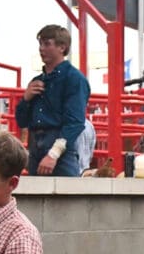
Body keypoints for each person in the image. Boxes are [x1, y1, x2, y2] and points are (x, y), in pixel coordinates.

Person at [15, 24, 90, 177]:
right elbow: (21, 120)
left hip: (57, 147)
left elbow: (74, 122)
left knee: (63, 196)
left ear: (62, 47)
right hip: (40, 146)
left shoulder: (74, 79)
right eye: (40, 44)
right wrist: (26, 99)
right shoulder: (41, 81)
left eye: (47, 44)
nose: (41, 49)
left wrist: (53, 154)